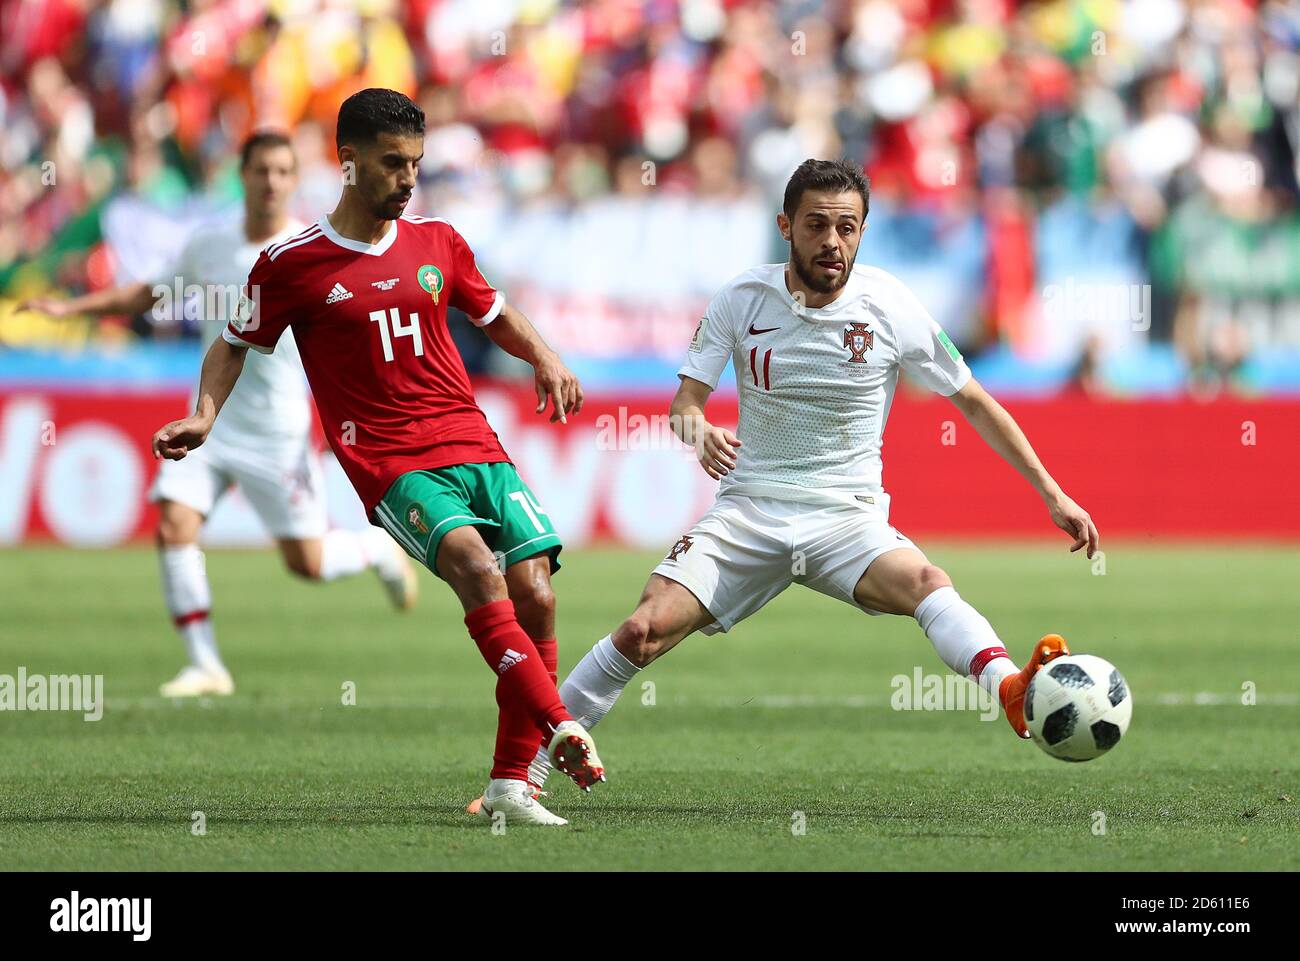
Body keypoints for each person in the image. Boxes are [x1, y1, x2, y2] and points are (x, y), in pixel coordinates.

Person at [527, 158, 1100, 790]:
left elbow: (974, 402)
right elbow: (683, 406)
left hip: (846, 517)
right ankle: (523, 773)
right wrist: (699, 432)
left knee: (927, 580)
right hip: (749, 510)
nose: (833, 242)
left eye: (848, 227)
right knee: (640, 631)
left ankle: (1010, 687)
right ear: (786, 226)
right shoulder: (743, 299)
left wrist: (1053, 492)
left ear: (863, 231)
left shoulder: (890, 305)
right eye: (817, 225)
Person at [150, 89, 603, 826]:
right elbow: (233, 344)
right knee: (475, 569)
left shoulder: (439, 242)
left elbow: (494, 313)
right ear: (348, 160)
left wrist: (544, 357)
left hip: (473, 441)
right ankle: (562, 727)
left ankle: (509, 786)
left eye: (416, 164)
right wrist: (205, 414)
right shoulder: (292, 264)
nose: (408, 177)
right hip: (390, 460)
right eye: (393, 163)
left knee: (539, 593)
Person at [19, 130, 417, 698]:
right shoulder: (208, 243)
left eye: (284, 172)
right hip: (208, 417)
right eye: (262, 171)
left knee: (305, 563)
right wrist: (68, 307)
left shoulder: (310, 251)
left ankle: (375, 549)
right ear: (244, 174)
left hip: (276, 431)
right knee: (174, 523)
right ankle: (206, 664)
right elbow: (150, 295)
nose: (272, 182)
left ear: (293, 180)